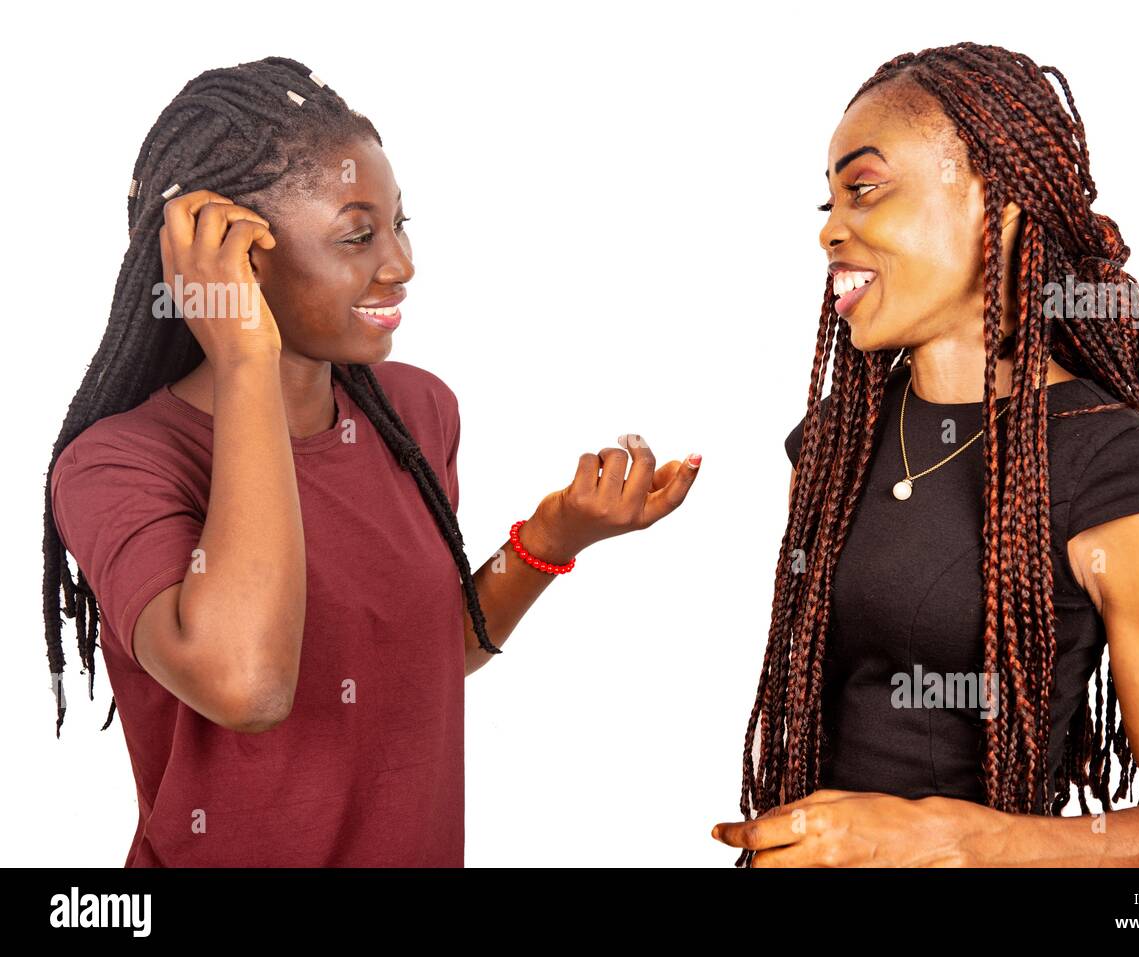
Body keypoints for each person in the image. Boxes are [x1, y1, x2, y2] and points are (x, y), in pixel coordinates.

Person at [43, 57, 701, 867]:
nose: (399, 264)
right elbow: (246, 683)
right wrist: (248, 359)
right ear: (234, 256)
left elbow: (424, 650)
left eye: (399, 224)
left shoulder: (416, 414)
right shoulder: (117, 465)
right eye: (359, 235)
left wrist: (553, 536)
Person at [712, 43, 1139, 867]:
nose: (830, 229)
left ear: (1001, 211)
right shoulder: (831, 445)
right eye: (827, 201)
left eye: (865, 189)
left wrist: (957, 841)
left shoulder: (1123, 477)